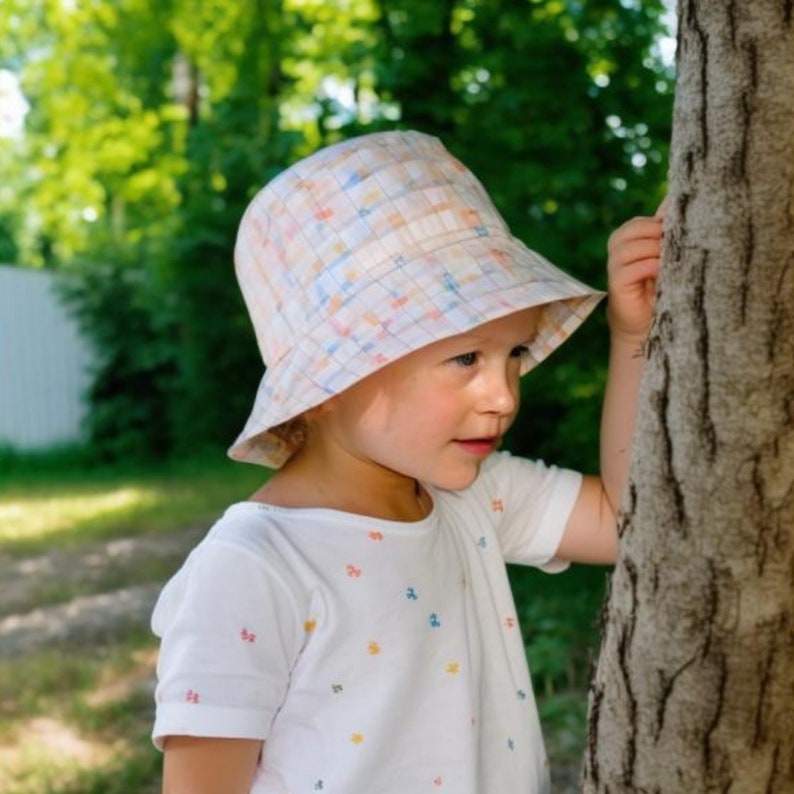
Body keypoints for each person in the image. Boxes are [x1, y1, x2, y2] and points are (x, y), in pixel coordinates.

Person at [151, 130, 663, 794]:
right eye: (465, 359)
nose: (504, 395)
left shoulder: (476, 497)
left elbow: (629, 519)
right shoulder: (254, 566)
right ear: (332, 380)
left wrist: (632, 337)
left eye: (512, 355)